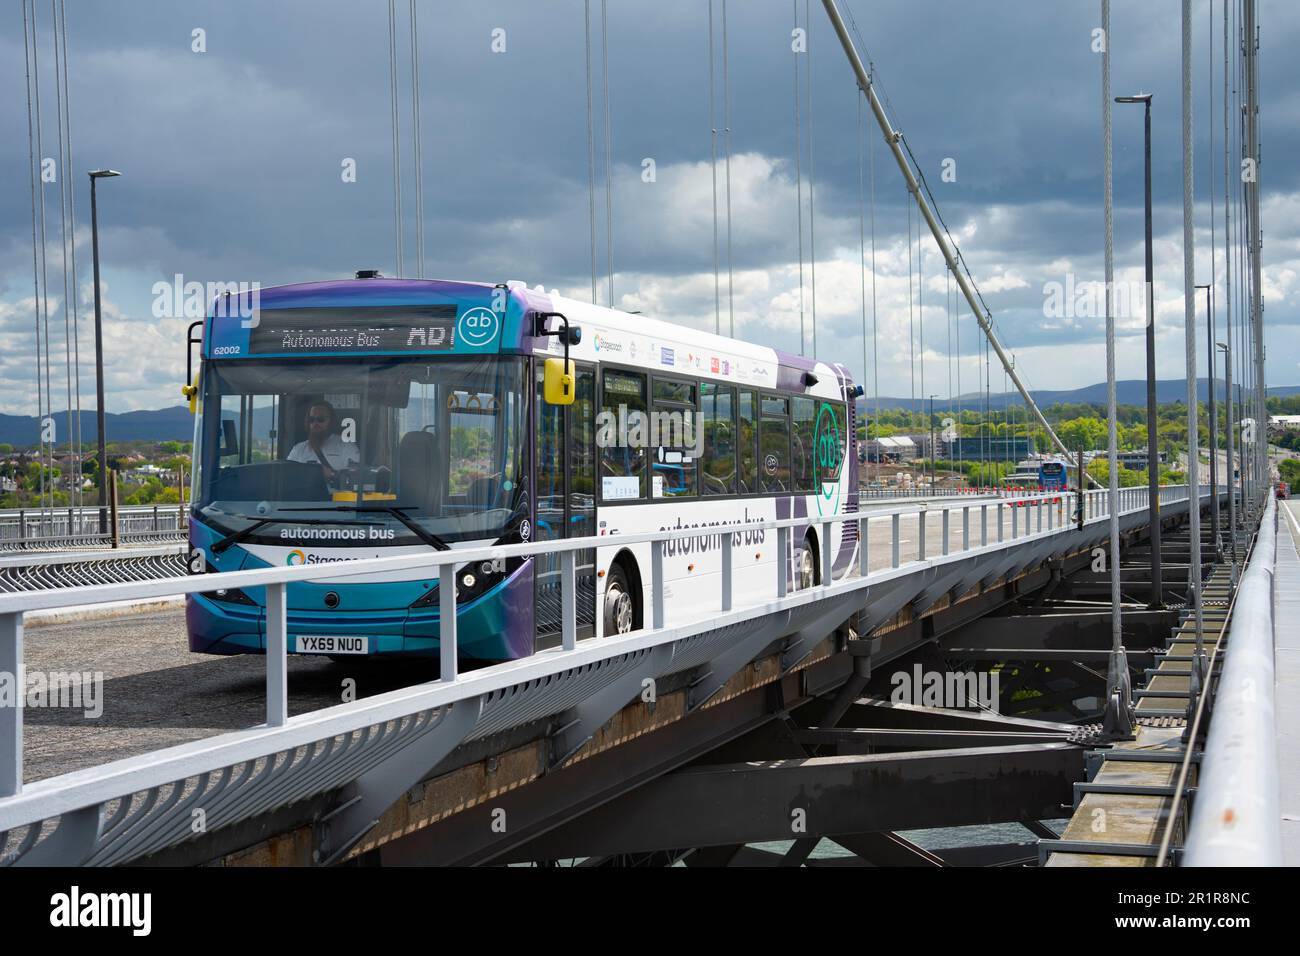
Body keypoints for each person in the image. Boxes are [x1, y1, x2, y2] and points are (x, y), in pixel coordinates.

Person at [287, 401, 359, 482]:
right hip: (304, 494)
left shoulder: (346, 445)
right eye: (311, 419)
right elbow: (288, 475)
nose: (315, 423)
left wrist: (332, 474)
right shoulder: (298, 449)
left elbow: (357, 477)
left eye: (320, 419)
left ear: (331, 421)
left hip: (334, 494)